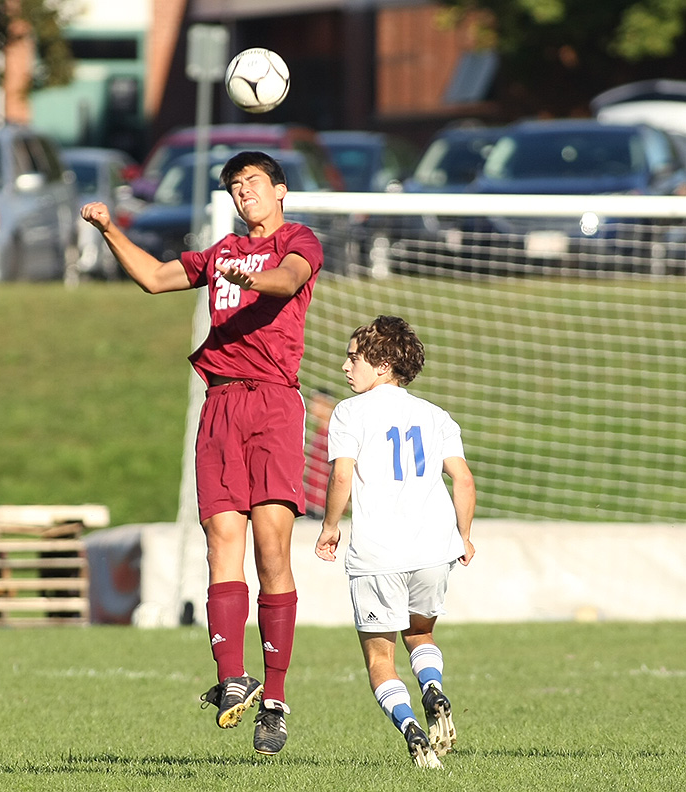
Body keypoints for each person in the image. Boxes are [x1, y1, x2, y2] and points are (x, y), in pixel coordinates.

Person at [81, 151, 323, 756]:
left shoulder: (297, 240)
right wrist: (112, 229)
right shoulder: (219, 253)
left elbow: (289, 279)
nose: (245, 195)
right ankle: (231, 680)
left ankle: (275, 698)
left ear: (281, 190)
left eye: (254, 184)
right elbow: (155, 278)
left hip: (272, 404)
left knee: (271, 546)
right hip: (220, 406)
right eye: (236, 187)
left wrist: (249, 278)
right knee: (221, 539)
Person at [315, 315, 476, 769]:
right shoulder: (435, 414)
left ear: (383, 365)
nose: (346, 367)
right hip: (433, 549)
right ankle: (433, 688)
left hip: (378, 553)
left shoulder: (350, 412)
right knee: (420, 632)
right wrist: (463, 537)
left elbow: (342, 473)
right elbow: (462, 479)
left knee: (379, 655)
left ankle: (410, 727)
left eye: (354, 358)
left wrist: (330, 526)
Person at [303, 389, 335, 519]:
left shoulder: (331, 434)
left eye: (316, 402)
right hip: (310, 501)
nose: (311, 407)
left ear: (327, 404)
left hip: (324, 504)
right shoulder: (318, 432)